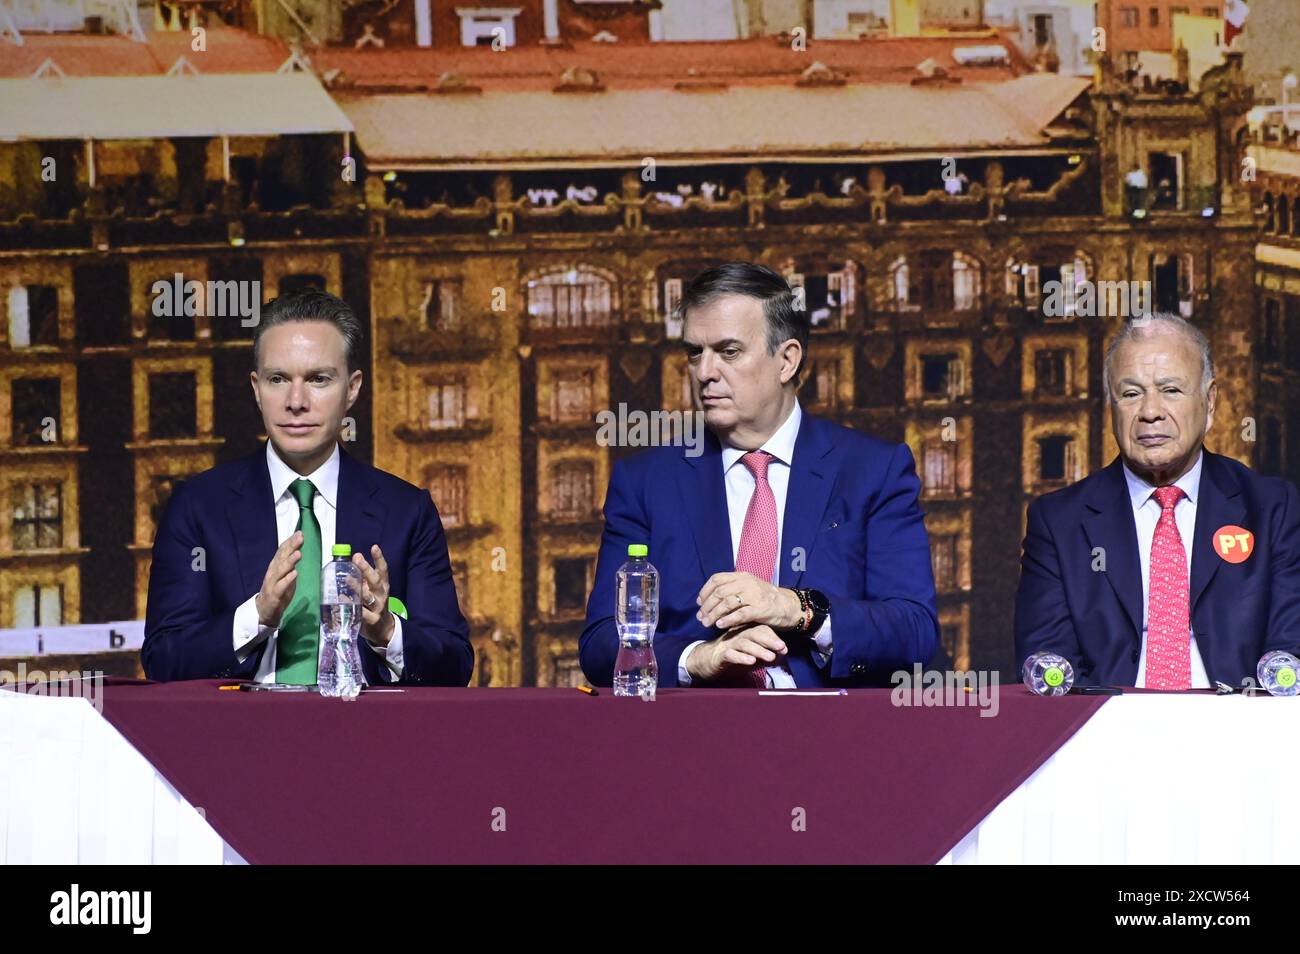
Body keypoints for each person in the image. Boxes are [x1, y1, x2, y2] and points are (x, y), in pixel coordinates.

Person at [580, 263, 939, 688]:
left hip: (833, 737)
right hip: (696, 735)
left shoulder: (873, 471)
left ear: (787, 360)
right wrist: (697, 658)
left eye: (728, 352)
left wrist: (794, 609)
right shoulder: (645, 482)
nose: (704, 372)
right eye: (696, 352)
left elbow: (914, 632)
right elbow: (602, 643)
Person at [143, 289, 472, 686]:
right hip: (237, 741)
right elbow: (163, 660)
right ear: (256, 388)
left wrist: (386, 631)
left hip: (366, 741)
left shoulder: (408, 512)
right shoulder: (196, 507)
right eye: (278, 379)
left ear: (352, 388)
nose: (295, 401)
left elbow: (455, 666)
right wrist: (257, 616)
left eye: (318, 379)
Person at [1015, 313, 1300, 688]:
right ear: (1111, 407)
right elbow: (1050, 667)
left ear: (1210, 402)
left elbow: (1290, 649)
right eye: (1131, 393)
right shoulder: (1057, 521)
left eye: (1170, 390)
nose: (1150, 412)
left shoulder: (1272, 509)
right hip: (1107, 734)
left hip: (1238, 732)